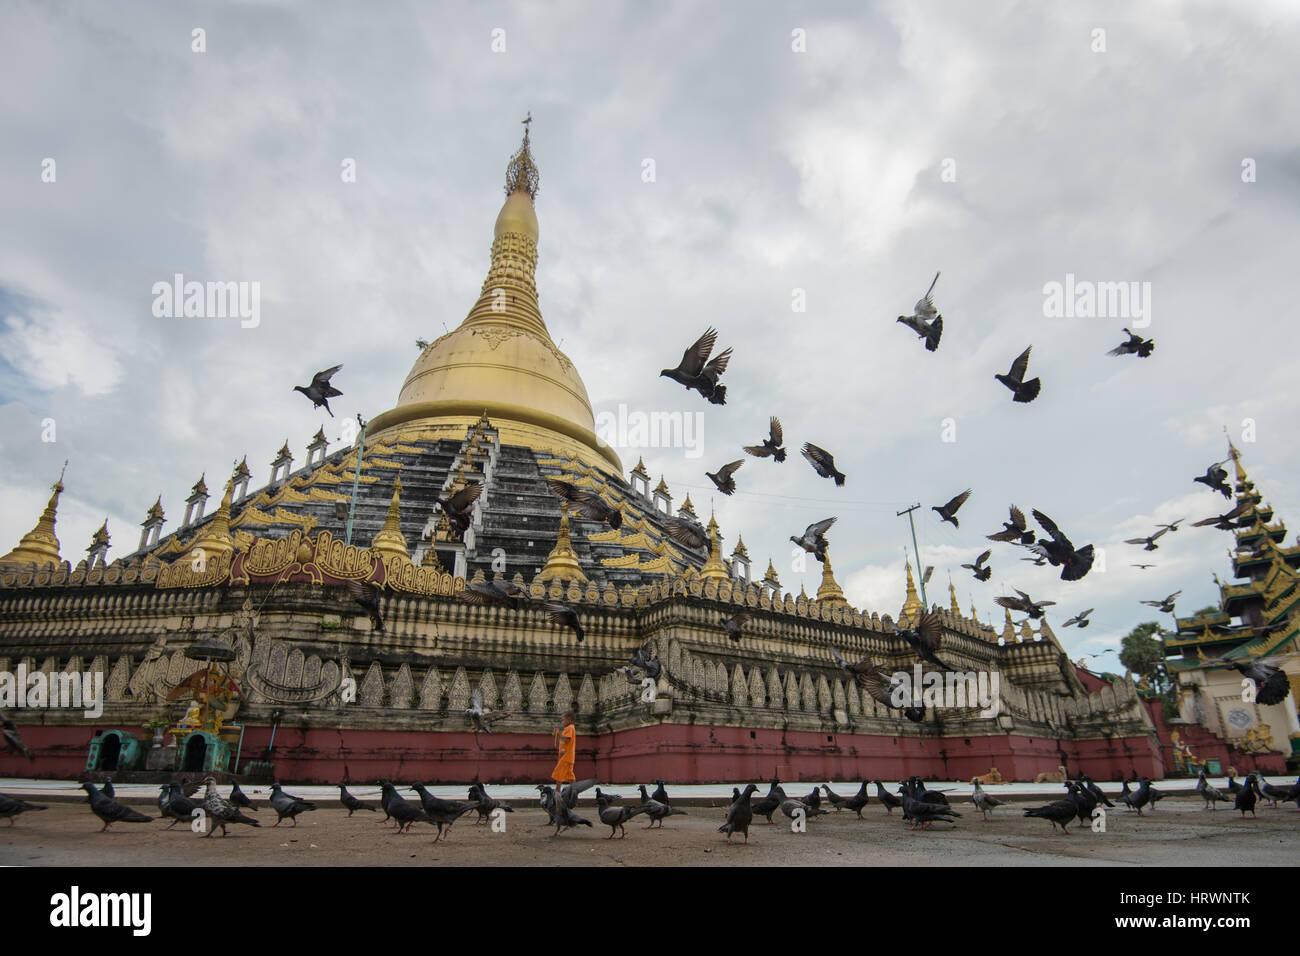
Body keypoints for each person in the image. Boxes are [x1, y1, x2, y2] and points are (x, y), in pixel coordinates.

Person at [551, 711, 576, 800]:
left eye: (563, 720)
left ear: (569, 720)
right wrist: (557, 735)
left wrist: (559, 734)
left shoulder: (570, 728)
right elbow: (563, 740)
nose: (562, 722)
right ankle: (574, 791)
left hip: (567, 756)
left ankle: (558, 791)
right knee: (570, 775)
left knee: (559, 772)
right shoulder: (567, 729)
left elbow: (566, 739)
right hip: (567, 756)